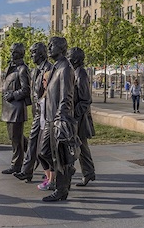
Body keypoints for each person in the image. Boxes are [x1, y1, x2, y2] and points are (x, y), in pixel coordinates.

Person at [42, 36, 77, 202]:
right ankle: (67, 171)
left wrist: (60, 118)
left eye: (52, 45)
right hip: (50, 118)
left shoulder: (66, 68)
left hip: (58, 119)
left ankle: (61, 189)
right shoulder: (56, 67)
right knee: (44, 152)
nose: (49, 47)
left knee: (59, 157)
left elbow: (67, 96)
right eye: (48, 44)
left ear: (62, 48)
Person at [15, 42, 51, 184]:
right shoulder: (36, 70)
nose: (31, 56)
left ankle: (52, 171)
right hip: (38, 111)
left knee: (43, 144)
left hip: (46, 112)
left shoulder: (49, 69)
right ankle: (27, 171)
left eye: (33, 53)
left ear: (41, 53)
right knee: (33, 140)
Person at [1, 43, 31, 175]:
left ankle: (16, 165)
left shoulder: (23, 69)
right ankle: (35, 154)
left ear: (21, 54)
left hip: (16, 109)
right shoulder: (12, 67)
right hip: (9, 108)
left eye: (15, 52)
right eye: (11, 52)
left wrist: (13, 95)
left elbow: (26, 90)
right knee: (15, 137)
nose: (12, 54)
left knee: (16, 138)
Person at [70, 48, 96, 187]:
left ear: (75, 59)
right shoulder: (75, 72)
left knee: (78, 146)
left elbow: (86, 100)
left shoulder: (81, 74)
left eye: (69, 56)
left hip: (80, 119)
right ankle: (88, 172)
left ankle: (83, 172)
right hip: (77, 118)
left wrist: (74, 114)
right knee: (81, 147)